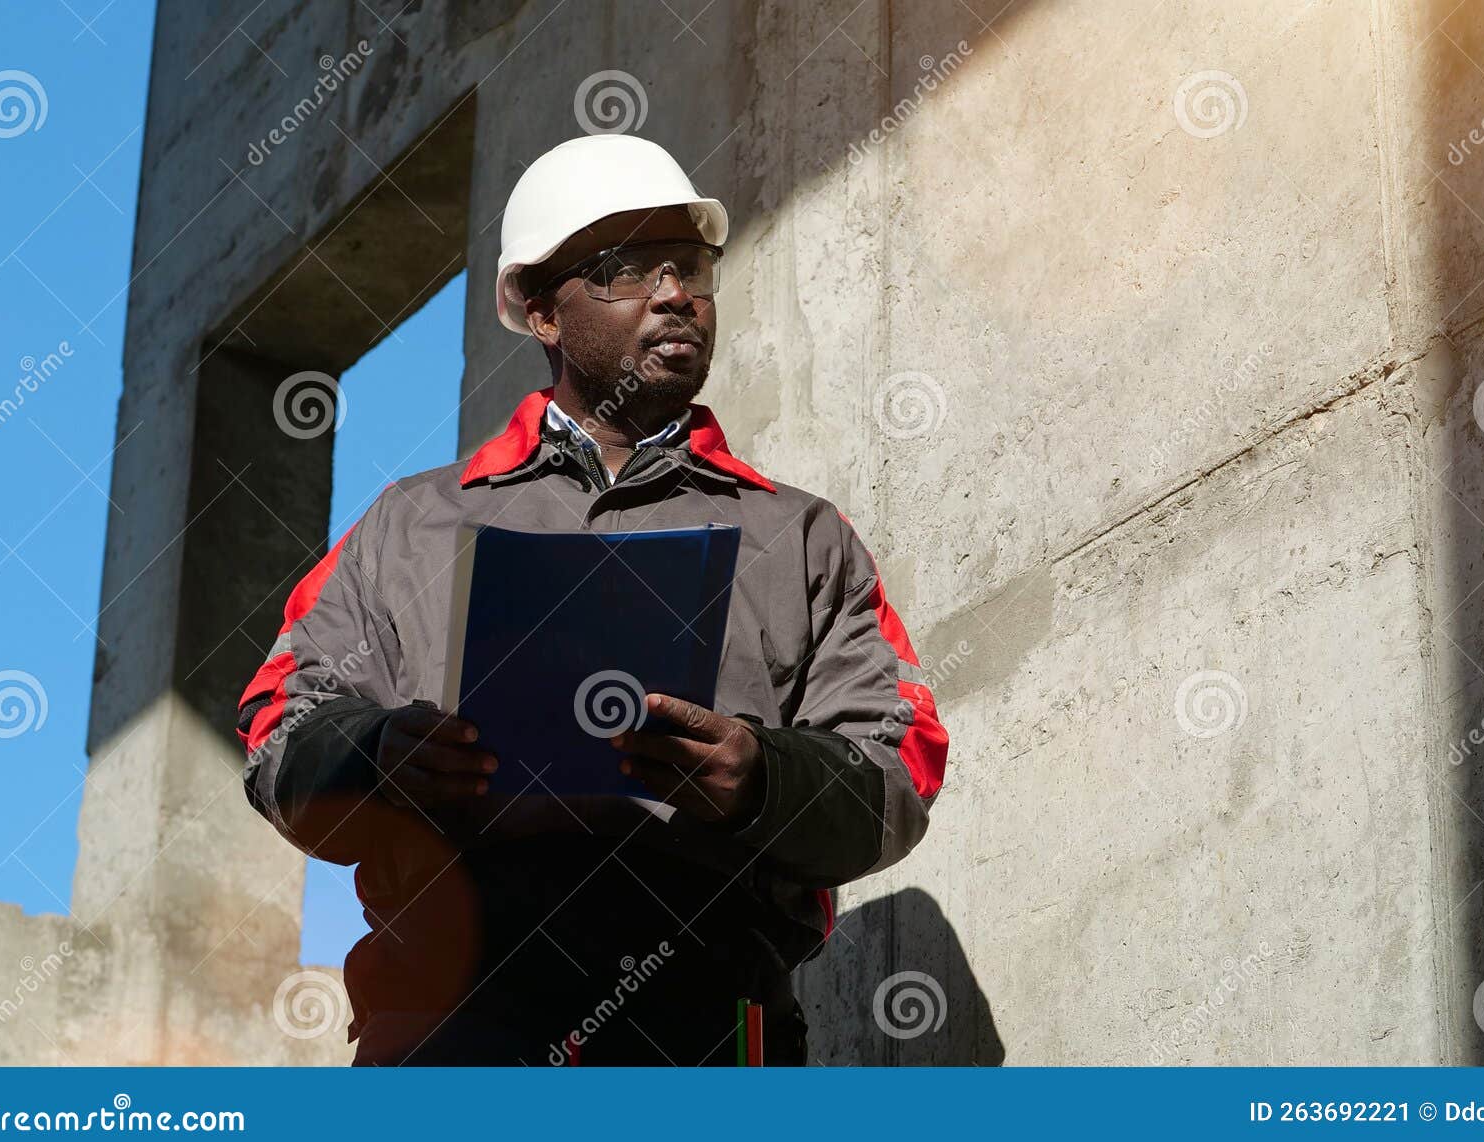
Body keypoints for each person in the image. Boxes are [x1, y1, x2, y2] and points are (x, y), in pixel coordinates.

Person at [235, 133, 949, 1066]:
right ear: (541, 311)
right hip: (447, 1034)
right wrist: (376, 756)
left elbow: (901, 770)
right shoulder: (407, 526)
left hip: (709, 1038)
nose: (673, 293)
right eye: (626, 270)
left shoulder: (803, 539)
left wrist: (762, 777)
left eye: (688, 265)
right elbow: (275, 729)